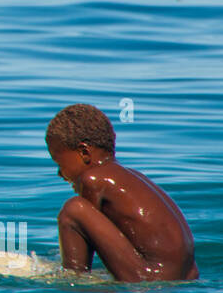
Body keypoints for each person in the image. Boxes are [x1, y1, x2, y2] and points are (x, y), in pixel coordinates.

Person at [47, 103, 199, 281]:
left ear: (84, 152)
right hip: (187, 277)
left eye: (59, 163)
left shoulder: (93, 180)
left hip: (150, 278)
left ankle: (71, 281)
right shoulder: (131, 176)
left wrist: (74, 275)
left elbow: (82, 235)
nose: (59, 173)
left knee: (73, 210)